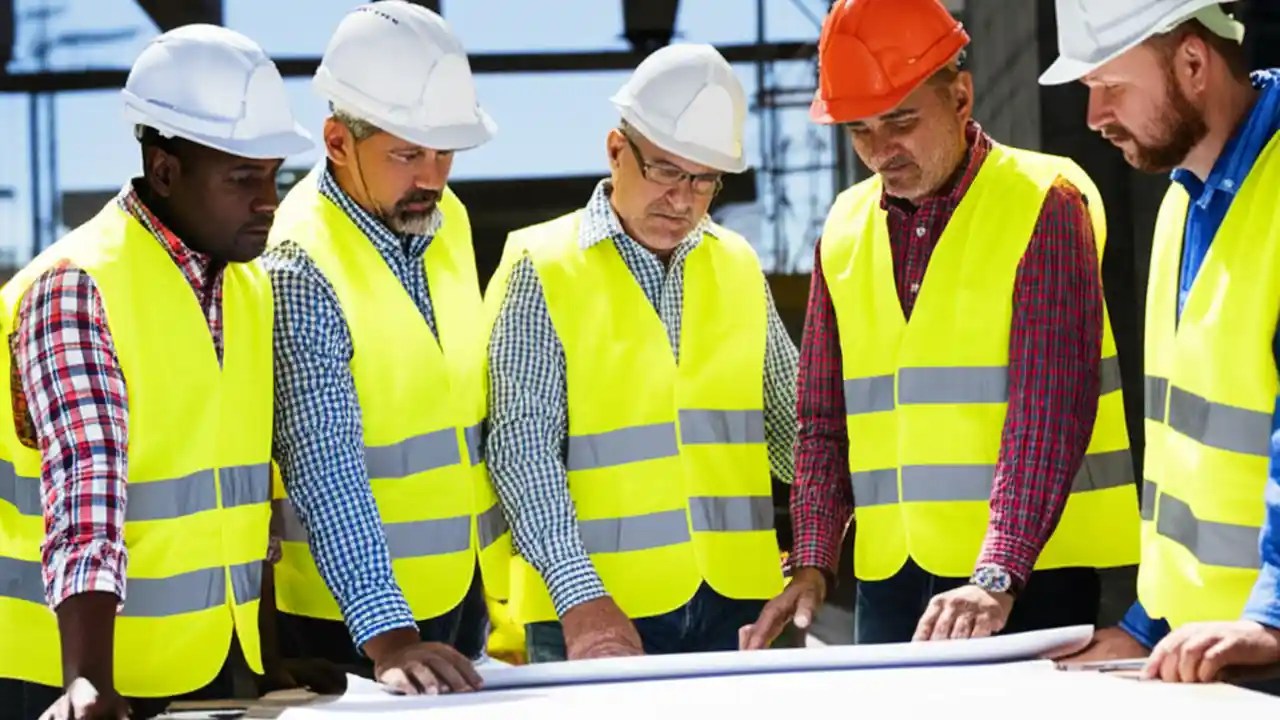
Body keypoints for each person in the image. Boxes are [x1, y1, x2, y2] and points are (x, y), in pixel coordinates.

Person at [741, 0, 1141, 650]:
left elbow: (1050, 407)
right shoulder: (842, 229)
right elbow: (821, 423)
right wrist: (813, 562)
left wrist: (998, 571)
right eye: (859, 130)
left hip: (1029, 573)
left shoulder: (1044, 202)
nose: (880, 151)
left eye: (900, 120)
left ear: (960, 96)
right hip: (892, 580)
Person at [0, 24, 312, 720]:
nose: (268, 200)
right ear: (166, 170)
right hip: (70, 684)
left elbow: (240, 493)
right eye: (242, 178)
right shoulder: (78, 285)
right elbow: (84, 491)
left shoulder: (247, 288)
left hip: (206, 670)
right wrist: (86, 679)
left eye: (273, 177)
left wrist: (263, 654)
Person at [485, 43, 799, 662]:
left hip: (741, 609)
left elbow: (798, 427)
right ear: (614, 150)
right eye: (664, 170)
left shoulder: (736, 264)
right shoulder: (541, 266)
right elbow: (521, 451)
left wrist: (819, 551)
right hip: (595, 612)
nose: (682, 200)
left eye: (704, 179)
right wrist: (580, 597)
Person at [263, 1, 507, 693]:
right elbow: (324, 461)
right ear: (337, 141)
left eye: (444, 153)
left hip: (457, 597)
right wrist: (388, 635)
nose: (432, 177)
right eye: (406, 153)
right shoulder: (299, 260)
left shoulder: (446, 218)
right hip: (350, 627)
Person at [1040, 0, 1280, 682]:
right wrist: (1147, 624)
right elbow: (1184, 460)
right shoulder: (1183, 200)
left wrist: (1272, 617)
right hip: (1206, 646)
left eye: (1111, 87)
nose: (1094, 119)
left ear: (1194, 63)